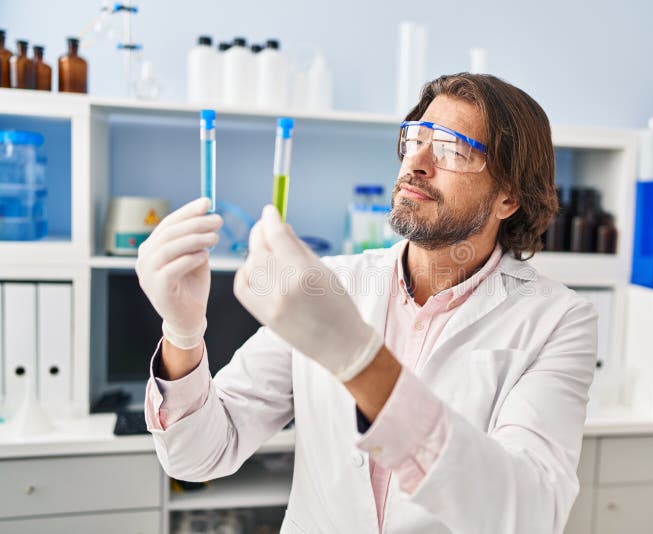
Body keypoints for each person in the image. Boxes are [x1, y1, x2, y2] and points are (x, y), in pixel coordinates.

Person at [136, 73, 597, 534]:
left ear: (508, 197)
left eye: (452, 150)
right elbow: (199, 455)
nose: (417, 162)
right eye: (416, 139)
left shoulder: (557, 320)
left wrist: (357, 359)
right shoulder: (329, 283)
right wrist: (183, 332)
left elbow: (531, 514)